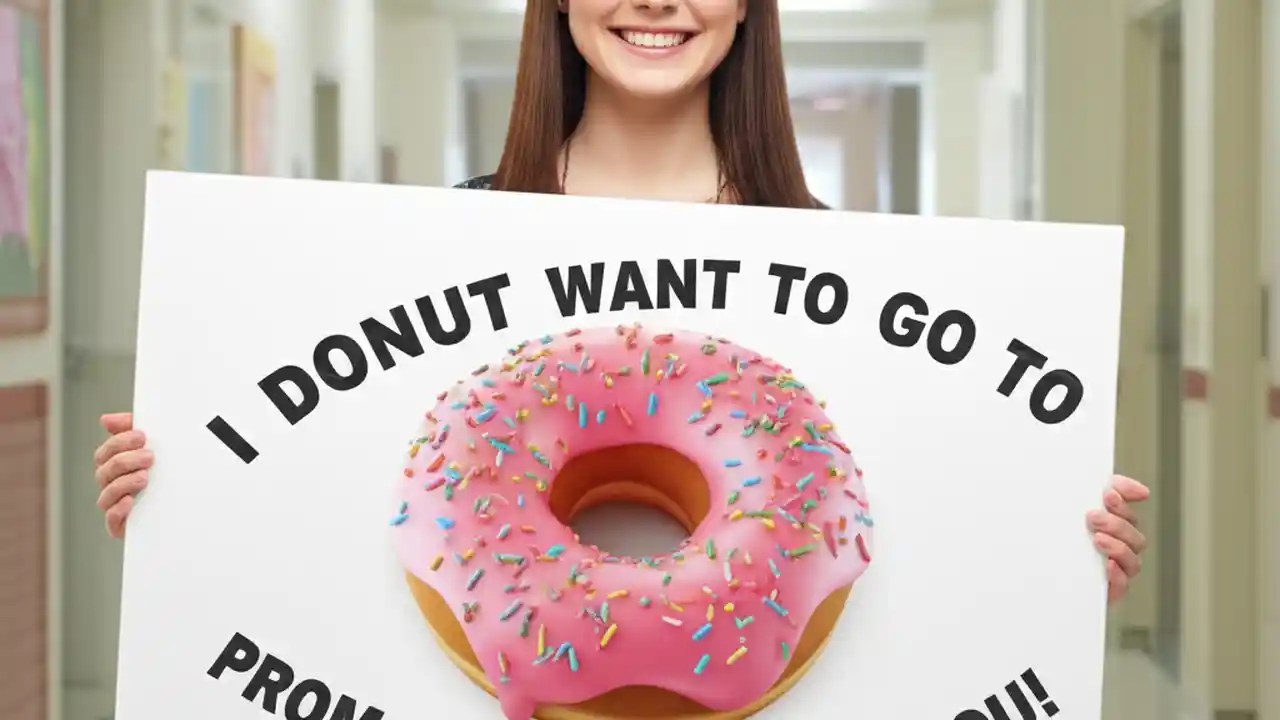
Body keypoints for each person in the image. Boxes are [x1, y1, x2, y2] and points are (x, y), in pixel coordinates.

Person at [92, 0, 1150, 603]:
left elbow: (899, 523)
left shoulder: (840, 266)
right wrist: (187, 500)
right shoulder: (441, 246)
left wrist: (1047, 559)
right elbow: (363, 499)